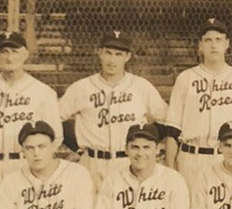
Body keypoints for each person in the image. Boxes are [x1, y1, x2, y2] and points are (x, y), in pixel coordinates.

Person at [57, 32, 167, 190]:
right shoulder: (81, 87)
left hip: (128, 162)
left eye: (118, 54)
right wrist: (76, 146)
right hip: (92, 162)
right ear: (99, 52)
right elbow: (54, 119)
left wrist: (147, 144)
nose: (112, 59)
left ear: (127, 56)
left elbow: (167, 119)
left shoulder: (141, 86)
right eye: (108, 53)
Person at [165, 19, 232, 197]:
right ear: (200, 45)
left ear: (227, 44)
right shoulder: (185, 78)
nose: (213, 45)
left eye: (218, 39)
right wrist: (170, 168)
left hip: (226, 158)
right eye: (208, 40)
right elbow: (173, 129)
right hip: (191, 157)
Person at [0, 33, 62, 166]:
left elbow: (55, 137)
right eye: (4, 52)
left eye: (15, 51)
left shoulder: (44, 92)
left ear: (26, 54)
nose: (9, 57)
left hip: (25, 164)